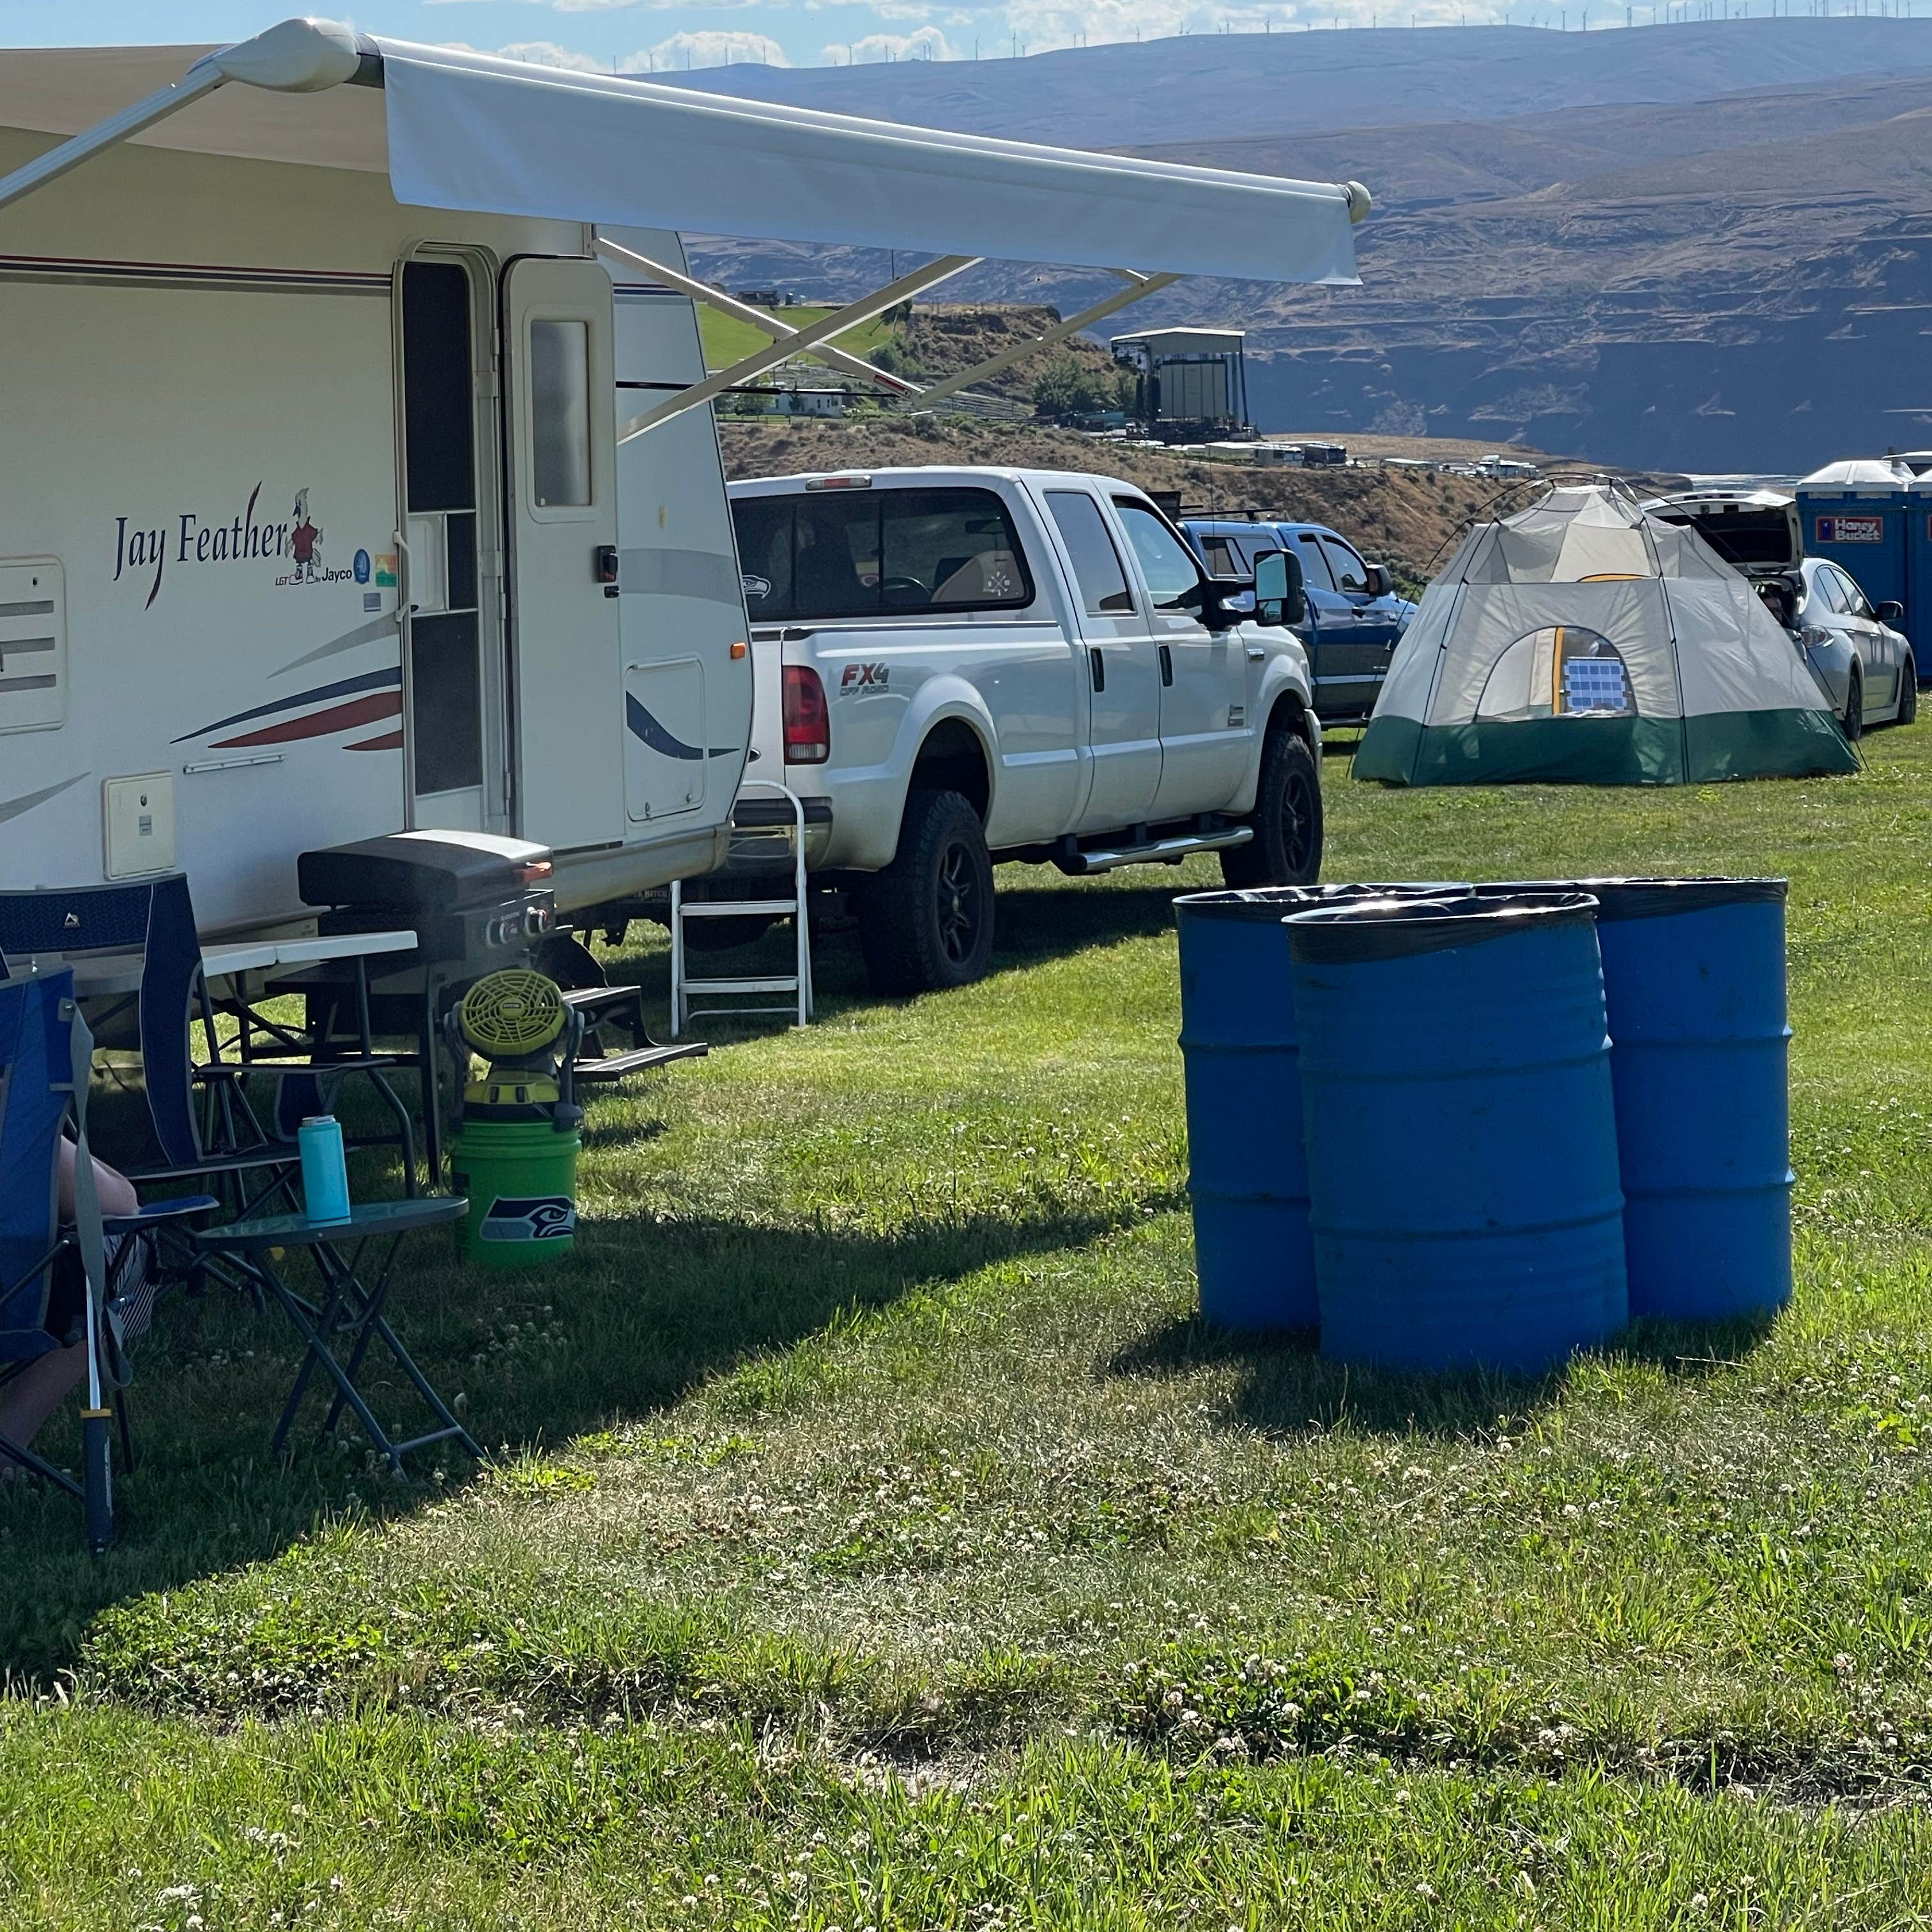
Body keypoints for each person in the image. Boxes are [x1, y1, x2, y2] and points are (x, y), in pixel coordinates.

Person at [0, 1141, 141, 1465]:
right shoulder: (16, 1116)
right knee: (101, 1270)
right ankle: (6, 1446)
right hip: (19, 1309)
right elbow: (121, 1203)